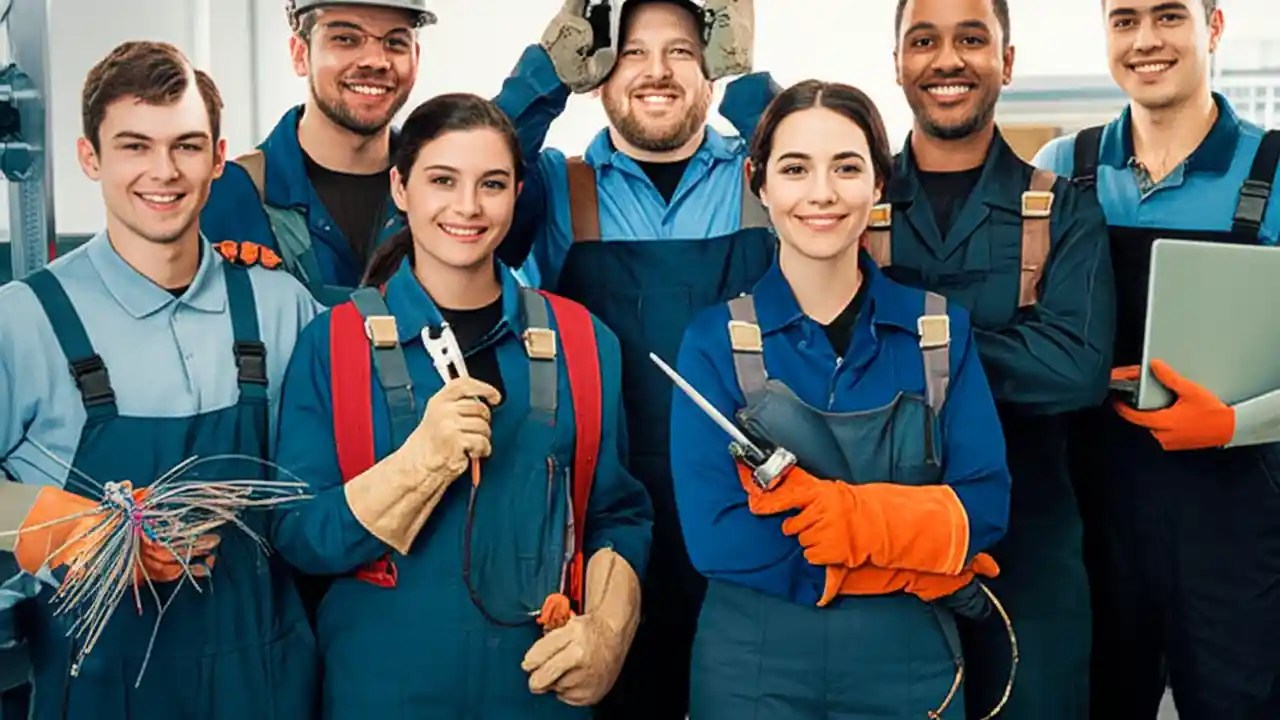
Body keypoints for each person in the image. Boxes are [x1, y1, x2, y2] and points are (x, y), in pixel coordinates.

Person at [268, 92, 653, 718]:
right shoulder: (332, 344)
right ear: (401, 188)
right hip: (383, 695)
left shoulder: (586, 342)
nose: (468, 207)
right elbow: (297, 535)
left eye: (492, 184)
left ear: (518, 193)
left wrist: (609, 630)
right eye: (442, 180)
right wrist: (418, 464)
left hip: (538, 695)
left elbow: (616, 514)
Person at [669, 78, 1011, 719]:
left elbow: (984, 506)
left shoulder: (937, 332)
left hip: (911, 670)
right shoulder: (714, 341)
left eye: (846, 167)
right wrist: (903, 565)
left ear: (878, 184)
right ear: (760, 182)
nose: (822, 193)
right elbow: (716, 537)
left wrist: (848, 519)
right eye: (795, 168)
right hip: (752, 672)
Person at [0, 41, 320, 719]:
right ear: (91, 158)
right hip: (100, 692)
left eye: (186, 146)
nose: (163, 172)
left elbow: (344, 460)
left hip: (264, 685)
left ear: (218, 159)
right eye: (134, 146)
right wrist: (88, 536)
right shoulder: (23, 321)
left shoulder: (279, 305)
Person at [492, 3, 773, 715]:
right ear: (595, 73)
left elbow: (837, 153)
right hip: (604, 523)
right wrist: (542, 75)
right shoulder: (558, 185)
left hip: (754, 517)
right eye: (631, 52)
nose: (656, 72)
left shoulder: (765, 175)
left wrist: (747, 83)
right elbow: (470, 169)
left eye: (681, 51)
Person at [1033, 1, 1280, 716]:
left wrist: (1232, 424)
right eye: (1125, 19)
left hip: (1236, 529)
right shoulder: (1061, 171)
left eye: (1169, 16)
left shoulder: (1273, 170)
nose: (1146, 41)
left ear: (1214, 26)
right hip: (1090, 517)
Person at [200, 0, 441, 305]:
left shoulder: (443, 200)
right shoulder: (226, 196)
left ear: (415, 59)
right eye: (346, 39)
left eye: (395, 42)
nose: (376, 61)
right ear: (300, 54)